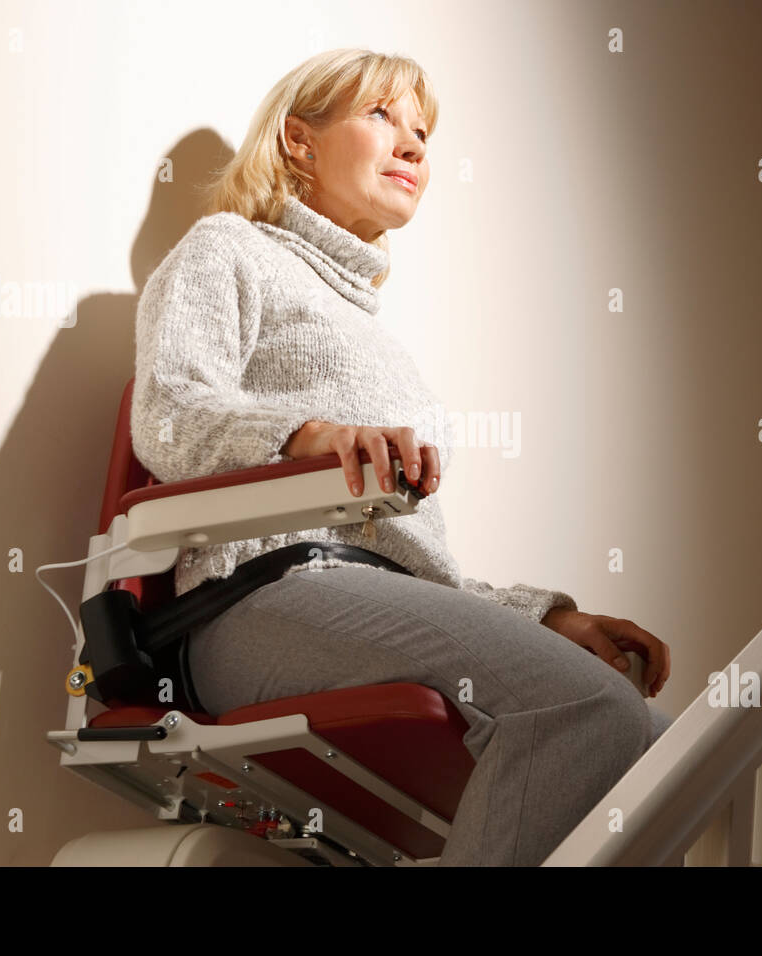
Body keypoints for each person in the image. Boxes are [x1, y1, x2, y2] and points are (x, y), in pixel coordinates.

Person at [131, 48, 673, 866]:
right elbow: (168, 414)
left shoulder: (386, 350)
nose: (415, 145)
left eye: (422, 130)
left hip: (353, 597)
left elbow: (404, 565)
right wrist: (303, 435)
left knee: (662, 747)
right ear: (299, 142)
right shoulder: (227, 248)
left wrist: (547, 617)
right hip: (253, 602)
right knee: (591, 712)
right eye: (382, 116)